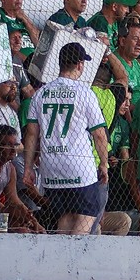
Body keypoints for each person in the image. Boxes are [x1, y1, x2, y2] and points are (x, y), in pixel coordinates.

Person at [22, 42, 107, 235]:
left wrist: (28, 168)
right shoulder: (85, 93)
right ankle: (74, 263)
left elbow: (32, 133)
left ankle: (60, 262)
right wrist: (103, 162)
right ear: (79, 65)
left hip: (52, 171)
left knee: (66, 218)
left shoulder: (41, 93)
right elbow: (99, 134)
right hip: (80, 169)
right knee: (85, 220)